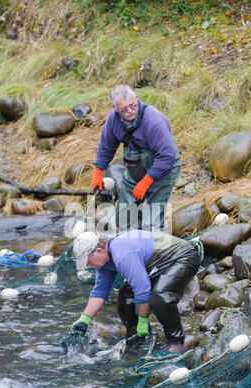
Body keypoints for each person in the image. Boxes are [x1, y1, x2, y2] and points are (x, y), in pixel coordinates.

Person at [70, 229, 201, 353]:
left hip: (183, 257)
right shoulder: (104, 261)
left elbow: (143, 291)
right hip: (157, 265)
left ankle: (176, 341)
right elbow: (99, 292)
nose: (88, 266)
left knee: (160, 297)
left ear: (98, 251)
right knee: (126, 295)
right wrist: (84, 319)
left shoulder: (122, 253)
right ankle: (136, 338)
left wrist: (143, 320)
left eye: (87, 261)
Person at [91, 84, 181, 231]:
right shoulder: (113, 120)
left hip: (164, 168)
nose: (129, 111)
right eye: (123, 109)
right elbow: (106, 145)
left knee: (152, 222)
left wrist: (146, 182)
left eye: (132, 105)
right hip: (136, 168)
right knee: (125, 218)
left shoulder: (153, 120)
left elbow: (166, 156)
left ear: (136, 99)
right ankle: (131, 242)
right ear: (115, 109)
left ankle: (156, 246)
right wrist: (98, 172)